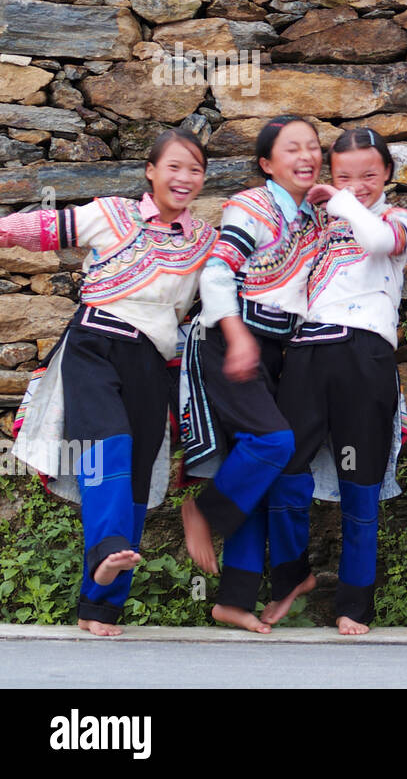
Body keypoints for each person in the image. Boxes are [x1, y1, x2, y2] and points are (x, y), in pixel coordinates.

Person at [6, 129, 216, 635]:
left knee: (138, 479)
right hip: (94, 347)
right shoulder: (112, 214)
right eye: (174, 166)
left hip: (152, 362)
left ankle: (99, 610)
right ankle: (105, 554)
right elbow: (37, 229)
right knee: (107, 450)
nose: (184, 178)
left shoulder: (205, 242)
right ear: (151, 170)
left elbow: (239, 288)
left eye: (194, 169)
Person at [178, 115, 325, 633]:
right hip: (230, 340)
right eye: (292, 149)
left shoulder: (313, 217)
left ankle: (233, 599)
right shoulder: (250, 206)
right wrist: (238, 336)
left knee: (263, 474)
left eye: (313, 147)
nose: (307, 156)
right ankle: (205, 513)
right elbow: (217, 272)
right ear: (266, 163)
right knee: (273, 443)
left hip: (278, 349)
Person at [275, 128, 407, 635]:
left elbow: (377, 241)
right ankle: (291, 577)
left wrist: (340, 200)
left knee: (361, 483)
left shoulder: (397, 218)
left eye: (369, 176)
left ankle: (353, 605)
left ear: (387, 176)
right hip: (307, 353)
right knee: (287, 469)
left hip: (365, 354)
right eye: (344, 177)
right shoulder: (314, 225)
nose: (357, 186)